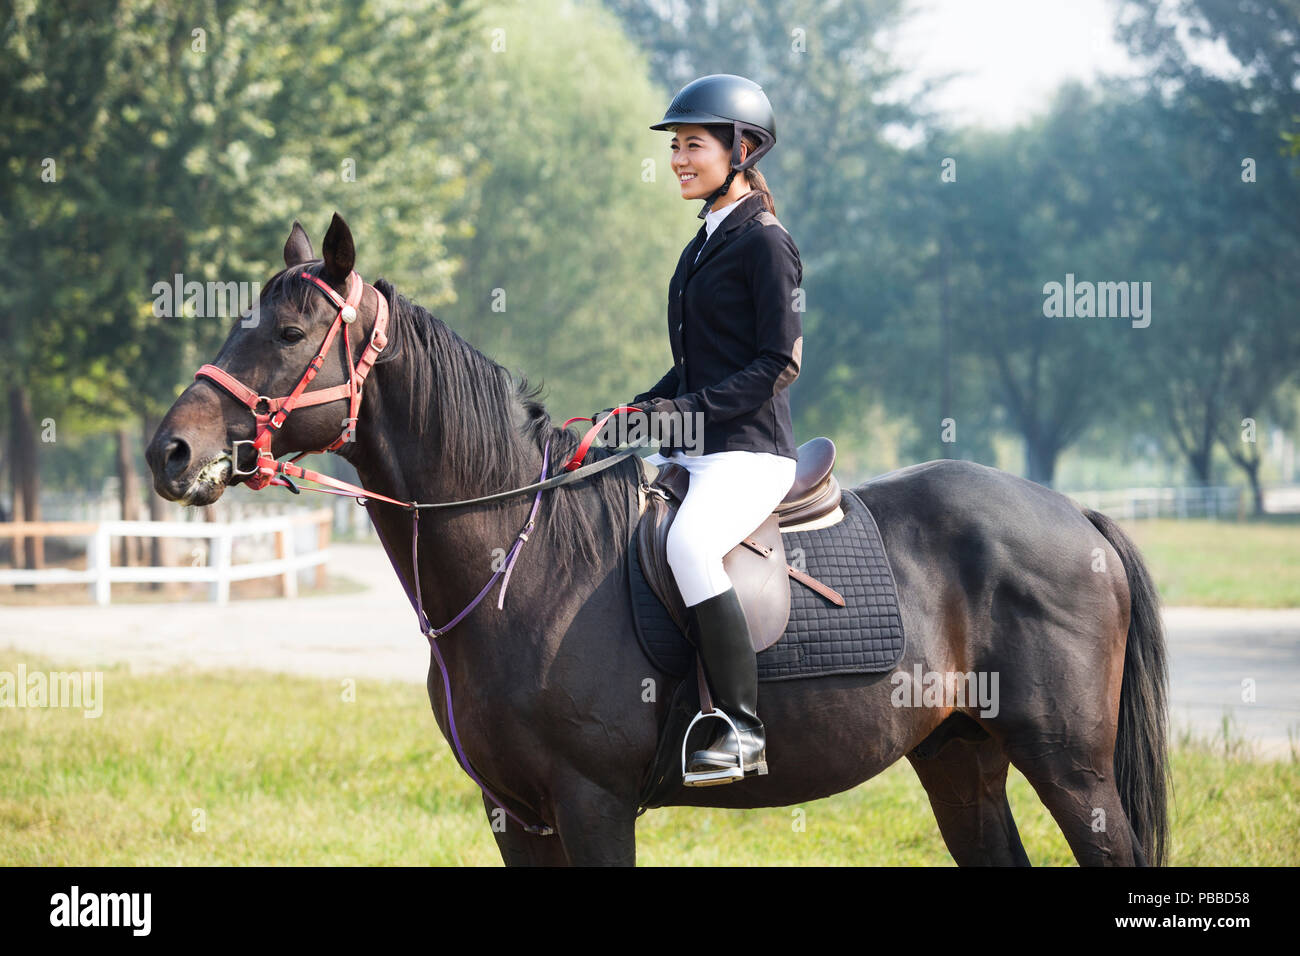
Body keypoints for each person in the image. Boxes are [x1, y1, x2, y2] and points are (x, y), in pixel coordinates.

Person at [594, 74, 803, 784]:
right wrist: (632, 412)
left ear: (741, 149)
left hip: (750, 454)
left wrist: (676, 414)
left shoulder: (767, 244)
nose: (679, 159)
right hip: (696, 447)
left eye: (693, 145)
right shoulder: (701, 244)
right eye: (675, 147)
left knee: (687, 546)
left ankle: (742, 730)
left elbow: (777, 364)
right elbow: (692, 367)